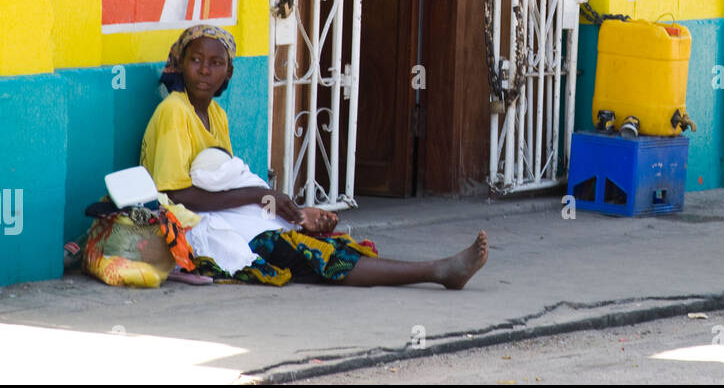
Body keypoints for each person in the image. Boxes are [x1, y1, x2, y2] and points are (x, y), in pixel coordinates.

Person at [140, 25, 488, 288]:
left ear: (228, 73)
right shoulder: (174, 111)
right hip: (188, 227)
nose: (204, 70)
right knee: (307, 253)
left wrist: (290, 210)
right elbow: (174, 195)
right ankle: (436, 271)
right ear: (180, 64)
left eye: (216, 63)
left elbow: (225, 184)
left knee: (313, 239)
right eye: (196, 60)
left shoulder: (216, 115)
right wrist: (264, 199)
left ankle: (438, 270)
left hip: (218, 215)